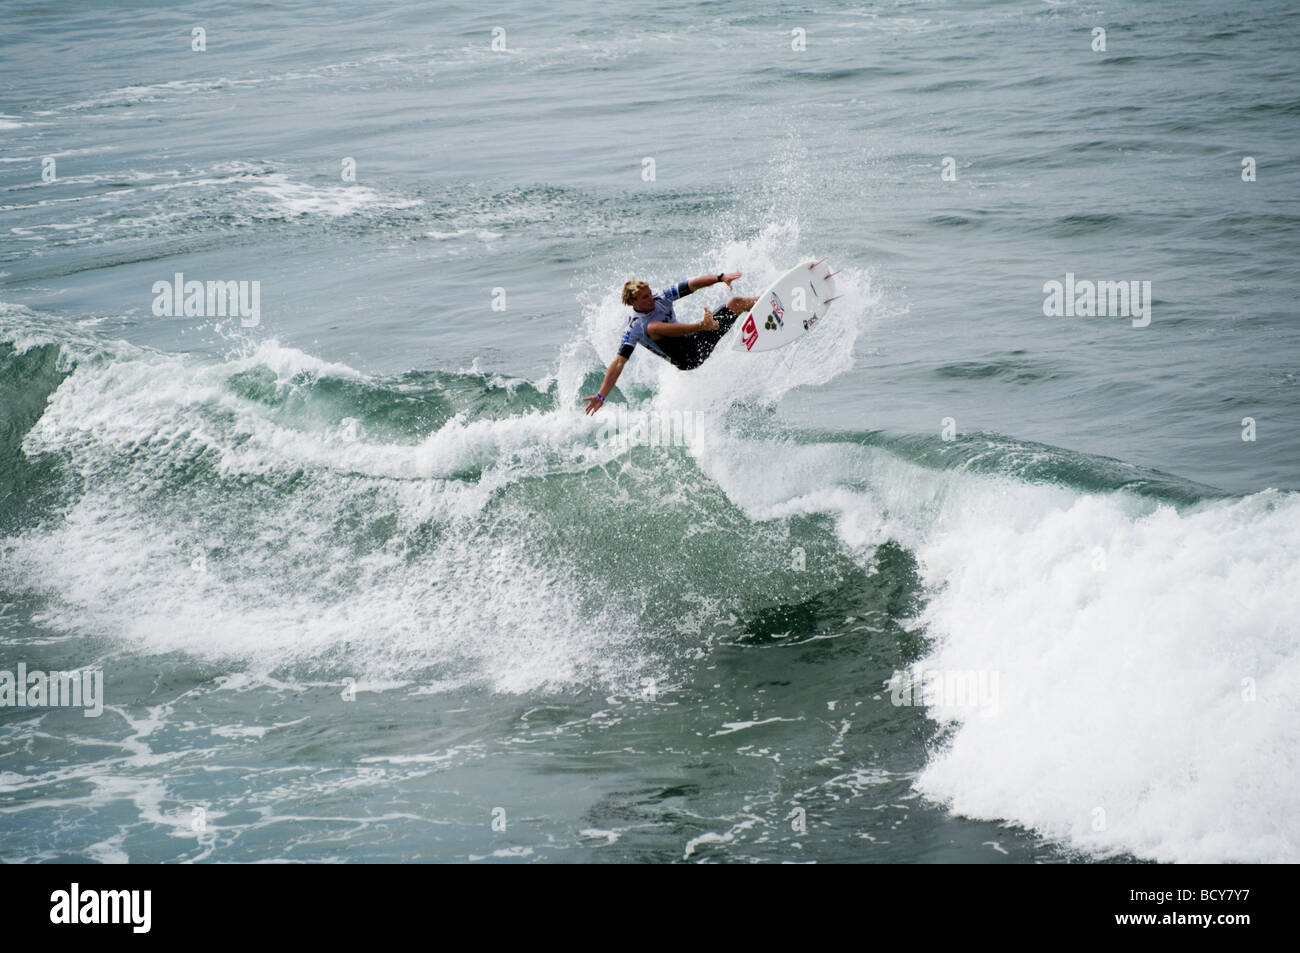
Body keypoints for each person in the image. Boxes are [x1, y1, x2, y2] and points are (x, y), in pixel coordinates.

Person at [582, 272, 757, 414]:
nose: (650, 298)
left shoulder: (662, 298)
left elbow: (692, 284)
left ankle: (769, 304)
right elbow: (619, 362)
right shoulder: (634, 328)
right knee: (652, 328)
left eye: (649, 294)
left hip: (696, 341)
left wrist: (719, 278)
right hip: (687, 359)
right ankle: (702, 325)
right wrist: (601, 395)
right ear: (632, 301)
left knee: (736, 303)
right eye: (644, 297)